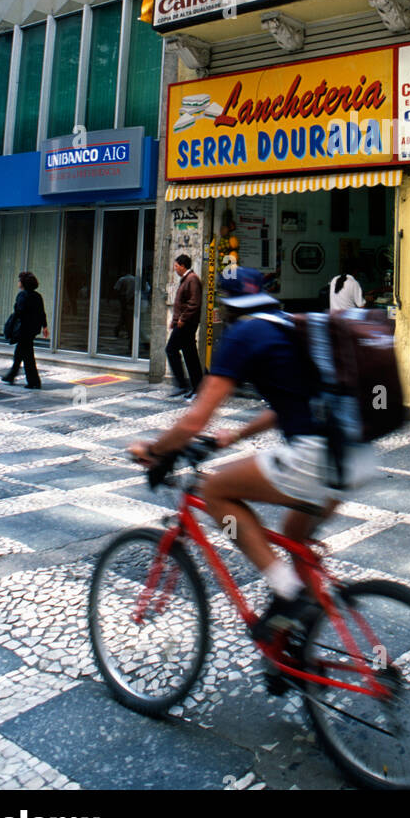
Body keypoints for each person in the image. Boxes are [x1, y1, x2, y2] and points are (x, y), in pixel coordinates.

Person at [130, 268, 377, 645]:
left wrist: (154, 450)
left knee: (215, 494)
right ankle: (296, 646)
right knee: (296, 540)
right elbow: (289, 405)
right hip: (355, 455)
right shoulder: (290, 325)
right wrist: (231, 437)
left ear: (227, 304)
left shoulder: (243, 334)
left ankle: (288, 598)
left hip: (313, 457)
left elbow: (196, 417)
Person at [1, 272, 49, 388]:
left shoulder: (22, 296)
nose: (18, 282)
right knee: (19, 353)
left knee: (27, 356)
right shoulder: (37, 296)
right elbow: (42, 312)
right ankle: (11, 375)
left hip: (23, 329)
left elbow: (19, 312)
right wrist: (45, 326)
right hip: (32, 329)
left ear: (23, 283)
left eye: (19, 280)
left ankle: (34, 382)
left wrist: (11, 324)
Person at [166, 254, 203, 399]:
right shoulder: (188, 279)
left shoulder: (192, 279)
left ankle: (183, 385)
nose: (175, 269)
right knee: (190, 354)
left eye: (176, 266)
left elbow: (194, 303)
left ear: (182, 266)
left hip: (186, 324)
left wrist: (182, 319)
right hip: (183, 323)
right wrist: (175, 320)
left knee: (171, 349)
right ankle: (196, 387)